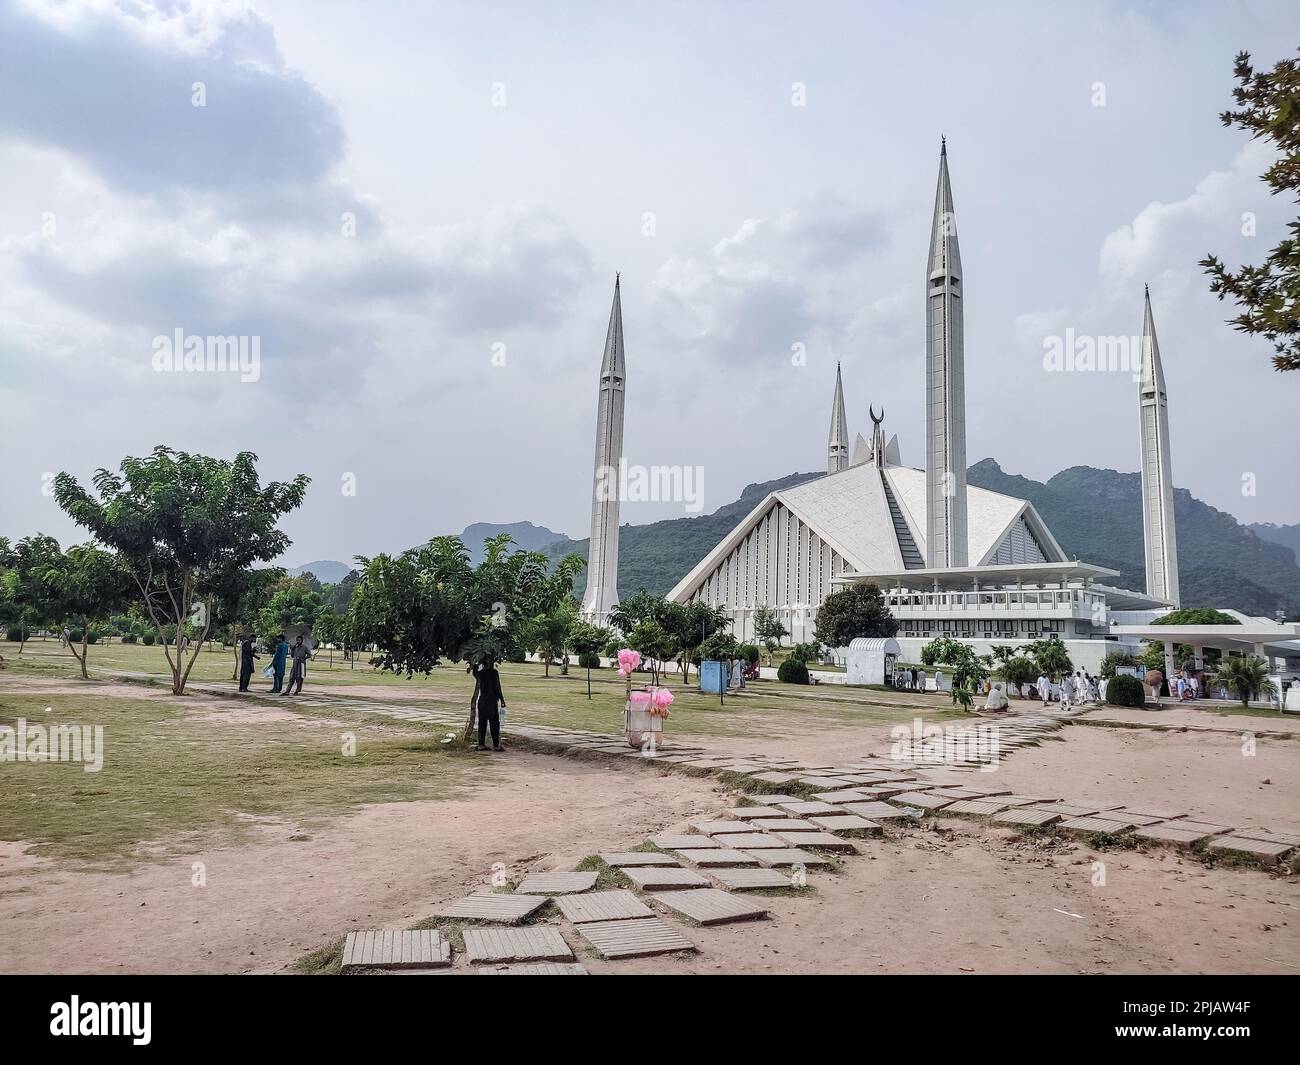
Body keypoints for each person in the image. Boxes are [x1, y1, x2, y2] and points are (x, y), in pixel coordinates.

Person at [472, 653, 507, 751]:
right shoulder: (494, 673)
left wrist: (476, 662)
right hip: (491, 701)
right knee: (494, 723)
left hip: (482, 700)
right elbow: (497, 687)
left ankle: (481, 744)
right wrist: (502, 699)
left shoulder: (480, 674)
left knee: (482, 723)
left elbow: (474, 672)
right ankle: (496, 745)